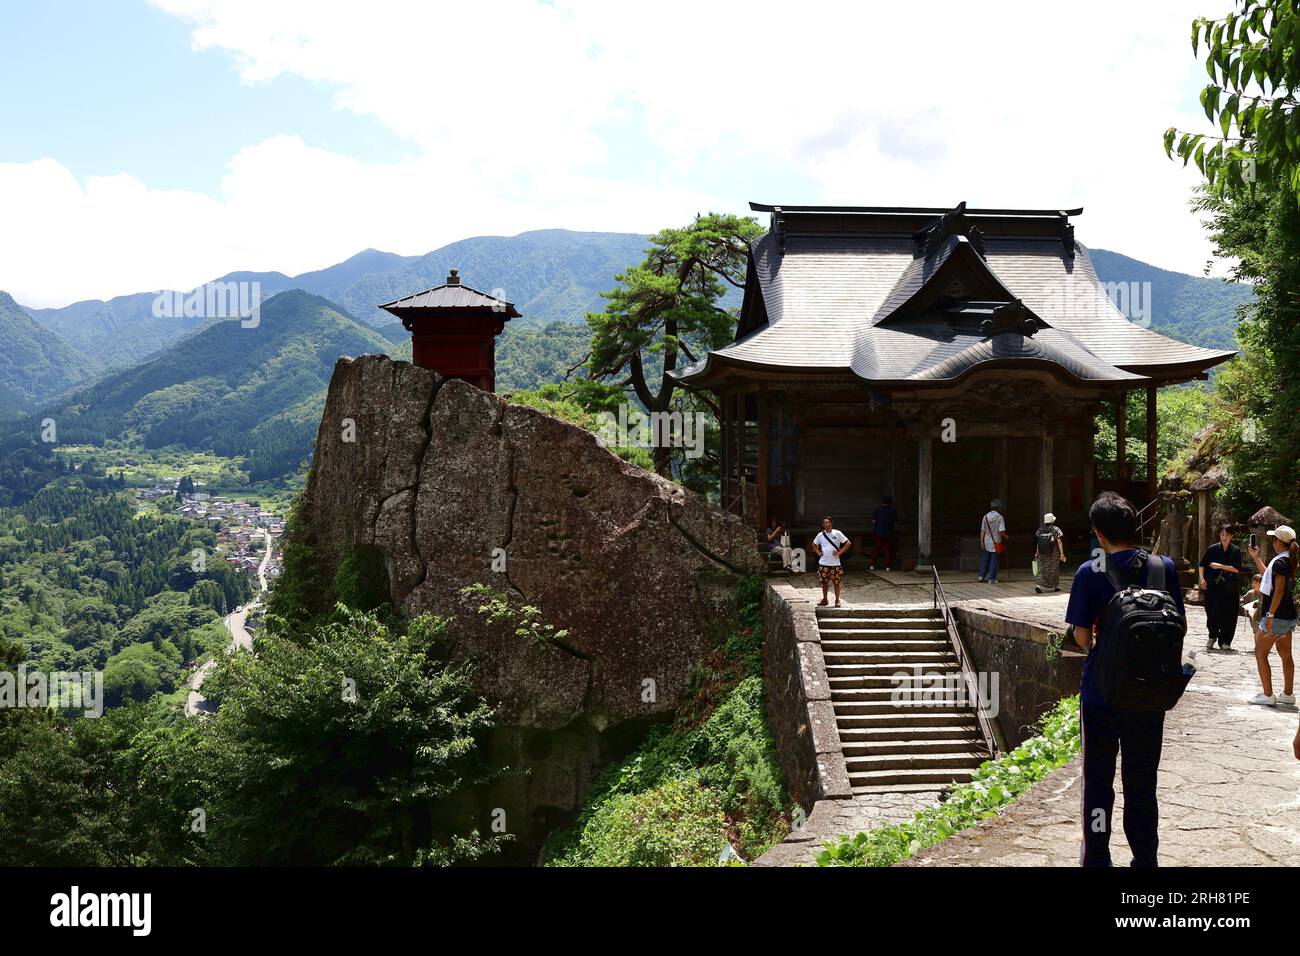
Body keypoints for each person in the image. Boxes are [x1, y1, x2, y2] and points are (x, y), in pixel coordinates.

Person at [1064, 492, 1184, 867]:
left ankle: (1098, 858)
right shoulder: (1163, 568)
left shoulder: (1091, 571)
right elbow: (1178, 627)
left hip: (1101, 695)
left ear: (1099, 533)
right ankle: (1145, 859)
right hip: (1150, 693)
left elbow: (1082, 637)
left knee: (1098, 782)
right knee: (1142, 783)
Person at [1246, 525, 1298, 707]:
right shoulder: (1285, 560)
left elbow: (1279, 590)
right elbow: (1269, 574)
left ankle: (1268, 695)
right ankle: (1288, 694)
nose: (1273, 542)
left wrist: (1269, 614)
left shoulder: (1281, 562)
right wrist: (1256, 557)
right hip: (1287, 617)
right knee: (1285, 654)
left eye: (1274, 539)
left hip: (1277, 616)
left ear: (1278, 542)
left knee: (1260, 653)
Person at [1198, 525, 1244, 651]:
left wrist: (1220, 566)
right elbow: (1202, 565)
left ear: (1231, 536)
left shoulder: (1236, 550)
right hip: (1212, 586)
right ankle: (1212, 636)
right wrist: (1202, 579)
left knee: (1229, 614)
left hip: (1229, 587)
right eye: (1222, 534)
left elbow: (1236, 568)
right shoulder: (1212, 549)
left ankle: (1225, 641)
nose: (1224, 537)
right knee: (1211, 612)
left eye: (1227, 535)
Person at [812, 516, 851, 609]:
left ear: (831, 524)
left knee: (836, 582)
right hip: (823, 562)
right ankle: (825, 599)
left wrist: (839, 552)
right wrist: (818, 552)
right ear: (823, 525)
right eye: (825, 523)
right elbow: (814, 544)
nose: (827, 524)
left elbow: (848, 543)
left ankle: (837, 599)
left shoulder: (837, 533)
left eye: (828, 522)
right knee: (824, 582)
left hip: (835, 563)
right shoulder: (820, 535)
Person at [1033, 512, 1066, 594]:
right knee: (1054, 569)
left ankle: (1038, 586)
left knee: (1042, 569)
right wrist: (1062, 553)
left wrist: (1037, 552)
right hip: (1053, 553)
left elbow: (1038, 542)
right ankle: (1056, 586)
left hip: (1042, 553)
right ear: (1052, 521)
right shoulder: (1055, 529)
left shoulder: (1040, 529)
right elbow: (1059, 542)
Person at [978, 499, 1006, 584]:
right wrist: (1006, 537)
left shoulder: (985, 517)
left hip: (987, 541)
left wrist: (981, 541)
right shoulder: (1000, 517)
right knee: (994, 560)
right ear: (999, 507)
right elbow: (1001, 531)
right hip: (996, 541)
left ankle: (981, 576)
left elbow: (983, 530)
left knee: (986, 559)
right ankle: (992, 578)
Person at [871, 496, 897, 571]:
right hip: (889, 532)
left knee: (876, 549)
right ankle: (888, 566)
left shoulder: (878, 510)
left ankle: (873, 565)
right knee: (888, 549)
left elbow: (874, 521)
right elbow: (895, 520)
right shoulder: (893, 510)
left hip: (879, 532)